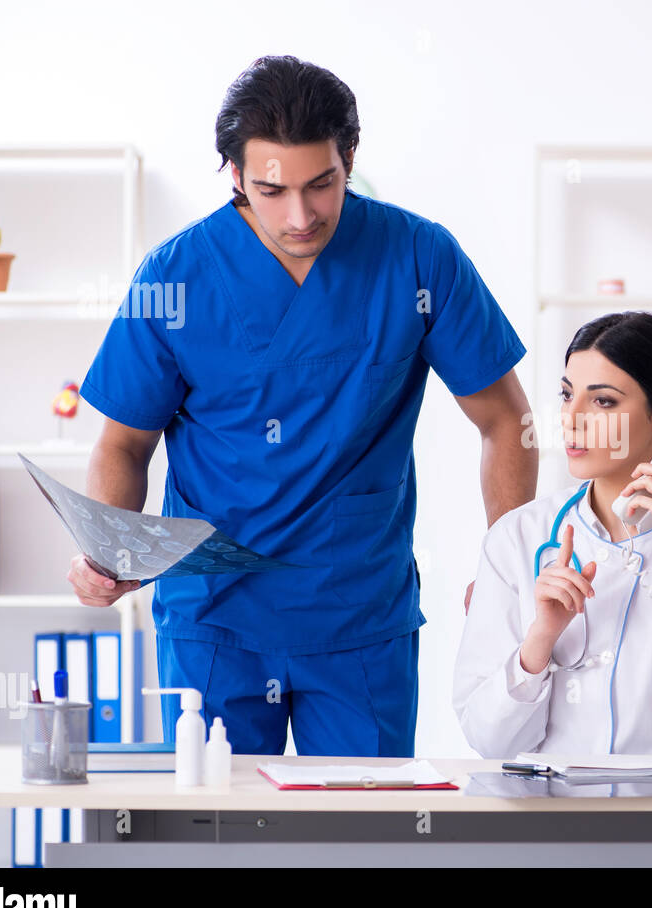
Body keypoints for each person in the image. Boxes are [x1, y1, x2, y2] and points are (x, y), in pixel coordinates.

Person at [68, 55, 536, 757]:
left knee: (362, 845)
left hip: (359, 617)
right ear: (234, 174)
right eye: (271, 189)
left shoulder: (418, 258)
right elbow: (124, 444)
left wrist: (510, 566)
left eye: (322, 184)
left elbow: (505, 419)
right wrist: (108, 551)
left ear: (350, 157)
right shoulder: (175, 276)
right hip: (213, 619)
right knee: (212, 840)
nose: (300, 215)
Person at [453, 311, 652, 761]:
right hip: (551, 817)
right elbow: (488, 739)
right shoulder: (517, 538)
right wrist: (540, 640)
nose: (571, 419)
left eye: (602, 402)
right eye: (567, 396)